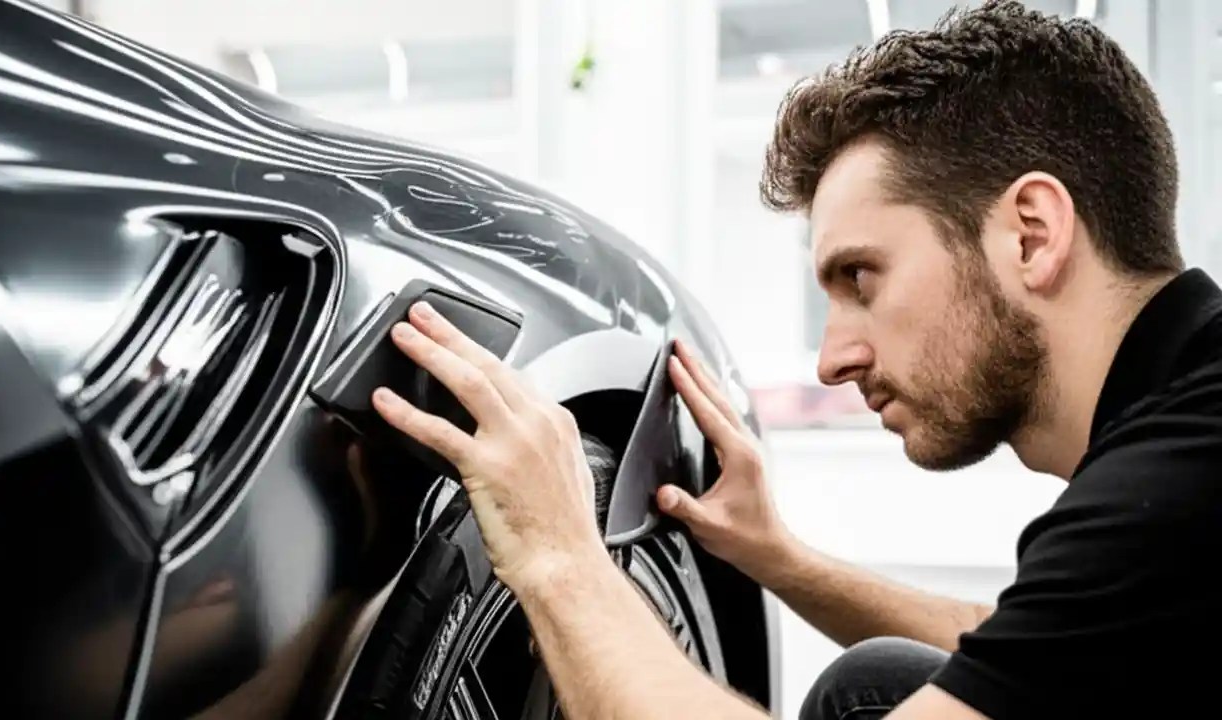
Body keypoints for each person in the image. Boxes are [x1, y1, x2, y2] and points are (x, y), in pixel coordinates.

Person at [370, 1, 1222, 718]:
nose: (832, 360)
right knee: (876, 684)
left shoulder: (1183, 474)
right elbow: (1017, 644)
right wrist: (775, 557)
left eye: (861, 277)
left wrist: (560, 558)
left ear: (1030, 236)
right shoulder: (1172, 441)